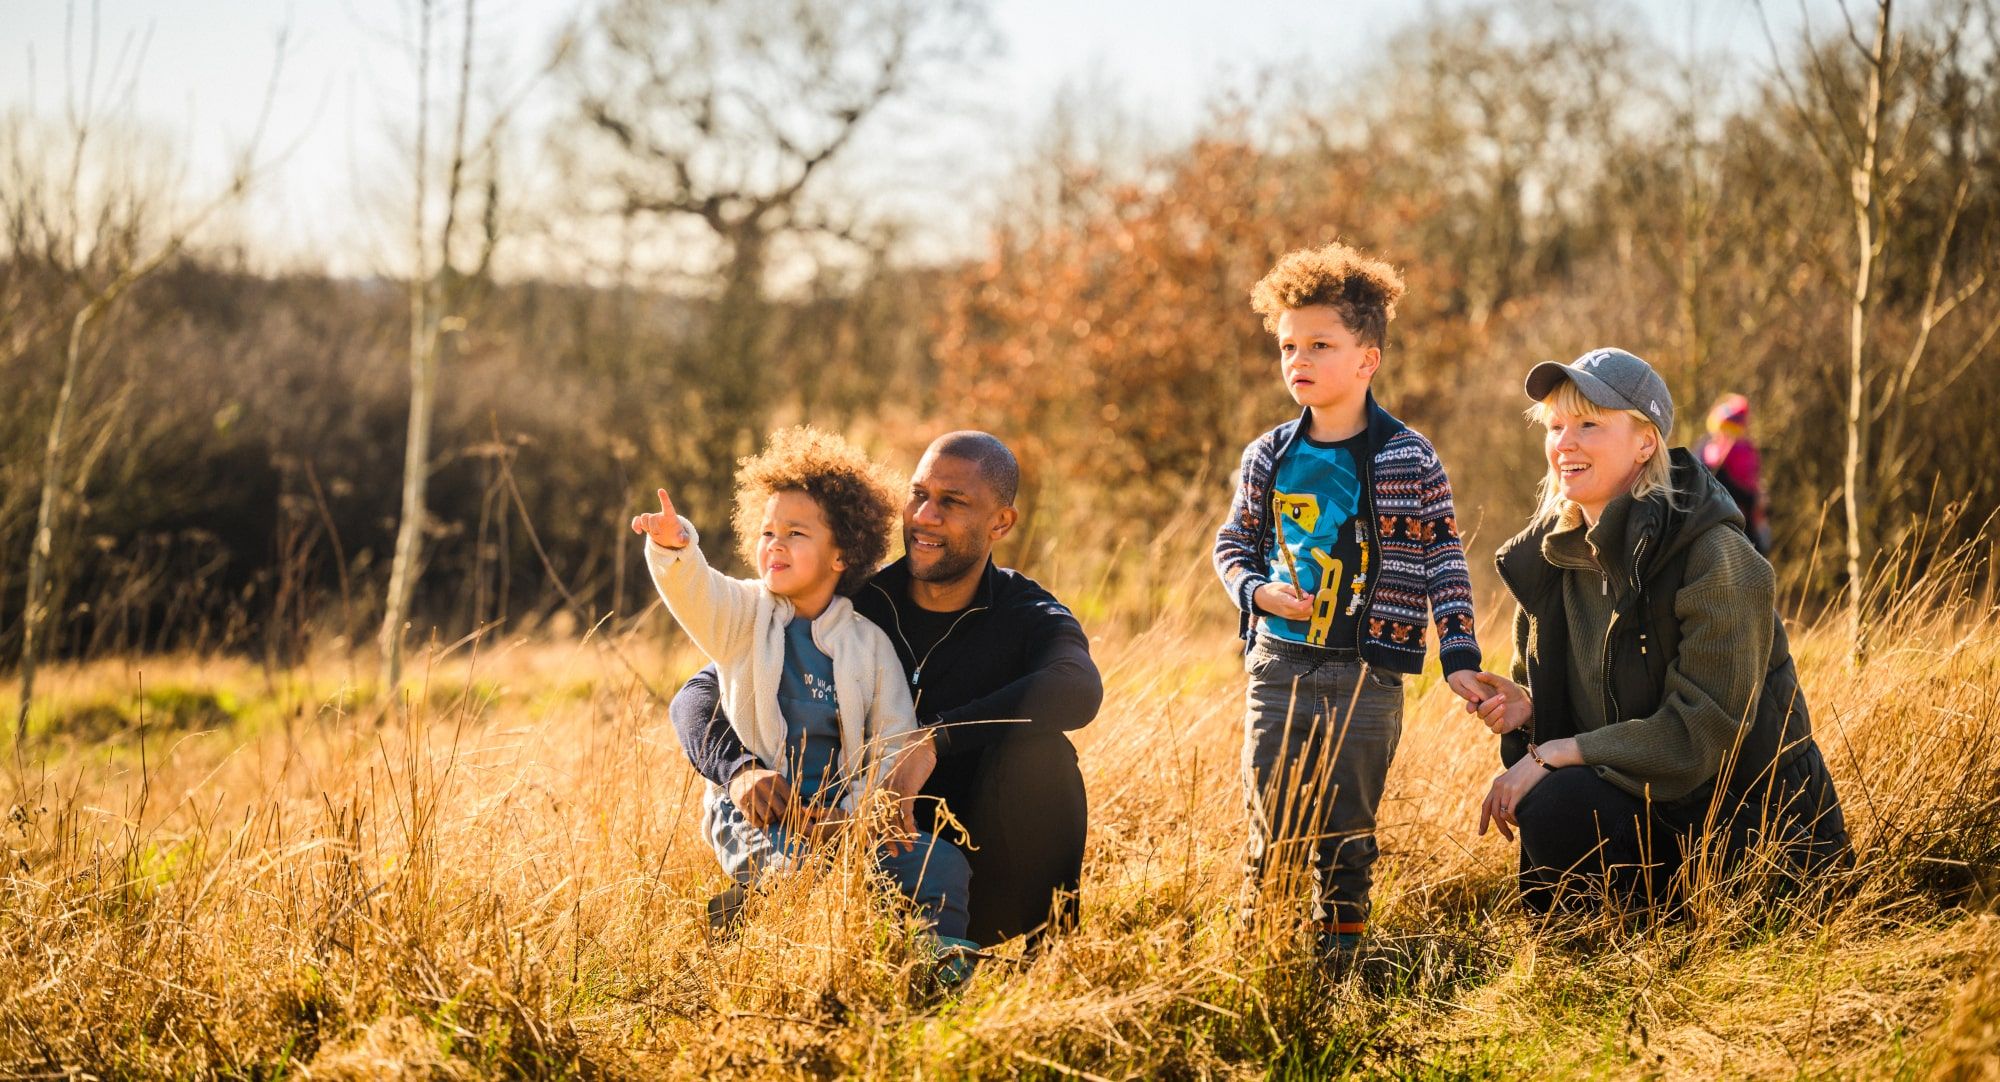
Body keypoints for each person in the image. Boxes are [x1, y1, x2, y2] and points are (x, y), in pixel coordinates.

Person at [670, 431, 1102, 947]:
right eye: (918, 494)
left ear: (1000, 523)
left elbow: (1078, 688)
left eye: (952, 502)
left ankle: (1040, 952)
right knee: (797, 895)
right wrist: (737, 770)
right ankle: (789, 920)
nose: (924, 516)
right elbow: (698, 695)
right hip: (855, 843)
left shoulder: (1024, 613)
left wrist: (937, 739)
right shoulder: (854, 602)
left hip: (963, 864)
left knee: (1047, 755)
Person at [1464, 348, 1848, 916]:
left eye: (1589, 423)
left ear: (1647, 442)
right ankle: (1597, 961)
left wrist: (1555, 752)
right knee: (1550, 801)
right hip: (1650, 820)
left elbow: (1699, 733)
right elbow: (1595, 727)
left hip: (1751, 841)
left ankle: (1676, 942)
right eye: (1556, 426)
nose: (1564, 442)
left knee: (1552, 786)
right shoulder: (1550, 565)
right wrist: (1531, 714)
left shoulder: (1716, 555)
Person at [1213, 241, 1484, 960]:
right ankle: (1261, 948)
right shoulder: (1267, 456)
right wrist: (1257, 591)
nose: (1298, 358)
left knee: (1347, 826)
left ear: (1368, 358)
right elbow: (1232, 546)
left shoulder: (1409, 456)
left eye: (1320, 344)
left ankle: (1341, 955)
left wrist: (1459, 654)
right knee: (1271, 817)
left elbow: (1443, 558)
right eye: (1288, 345)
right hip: (1278, 666)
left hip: (1369, 673)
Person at [630, 426, 974, 956]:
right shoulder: (743, 617)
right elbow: (698, 594)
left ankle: (937, 958)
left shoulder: (870, 645)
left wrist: (854, 821)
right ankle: (747, 932)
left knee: (940, 863)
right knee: (792, 874)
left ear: (842, 555)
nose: (776, 545)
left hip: (840, 817)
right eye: (767, 532)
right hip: (759, 811)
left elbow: (892, 740)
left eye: (796, 533)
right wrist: (675, 548)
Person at [1692, 392, 1771, 555]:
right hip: (1721, 526)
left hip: (1744, 527)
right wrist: (1754, 499)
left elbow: (1750, 486)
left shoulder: (1743, 451)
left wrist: (1758, 498)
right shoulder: (1708, 452)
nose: (1725, 436)